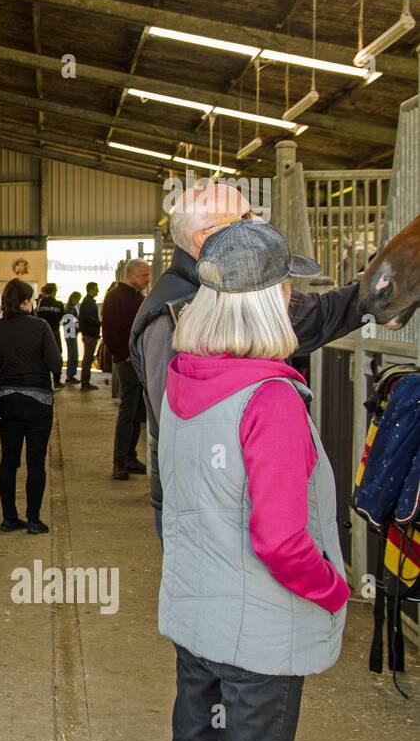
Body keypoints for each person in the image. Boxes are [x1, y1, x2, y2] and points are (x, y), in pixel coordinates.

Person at [159, 219, 348, 741]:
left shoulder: (182, 379)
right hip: (260, 638)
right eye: (287, 286)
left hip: (198, 621)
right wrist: (333, 590)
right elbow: (281, 541)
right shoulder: (271, 400)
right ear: (273, 299)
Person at [130, 183, 364, 540]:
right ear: (203, 239)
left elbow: (313, 316)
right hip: (207, 510)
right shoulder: (171, 316)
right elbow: (186, 430)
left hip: (244, 504)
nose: (256, 221)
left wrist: (376, 290)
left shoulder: (232, 288)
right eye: (243, 217)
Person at [0, 279, 61, 534]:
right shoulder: (40, 327)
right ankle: (34, 520)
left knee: (9, 460)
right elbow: (56, 365)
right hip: (38, 402)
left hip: (7, 402)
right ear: (27, 302)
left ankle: (9, 518)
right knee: (35, 463)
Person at [103, 259, 151, 480]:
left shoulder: (138, 297)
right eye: (144, 275)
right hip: (127, 363)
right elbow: (110, 333)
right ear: (131, 274)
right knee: (127, 411)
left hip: (139, 362)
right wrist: (124, 357)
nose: (147, 279)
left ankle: (130, 456)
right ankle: (119, 461)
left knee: (136, 412)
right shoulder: (115, 297)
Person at [35, 283, 65, 387]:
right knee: (57, 355)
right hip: (55, 332)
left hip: (42, 333)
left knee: (42, 356)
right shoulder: (59, 304)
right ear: (54, 292)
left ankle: (43, 380)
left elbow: (37, 316)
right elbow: (62, 318)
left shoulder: (41, 302)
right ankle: (57, 380)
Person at [78, 281, 100, 390]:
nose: (98, 291)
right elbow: (87, 318)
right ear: (91, 289)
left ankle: (85, 381)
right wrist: (99, 322)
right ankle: (85, 382)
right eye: (96, 289)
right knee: (88, 358)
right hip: (89, 334)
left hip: (89, 333)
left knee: (88, 358)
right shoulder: (88, 302)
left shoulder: (88, 301)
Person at [61, 291, 81, 384]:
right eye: (77, 299)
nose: (78, 301)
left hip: (69, 334)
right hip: (71, 334)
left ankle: (70, 375)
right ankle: (70, 376)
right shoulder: (70, 309)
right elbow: (70, 322)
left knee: (73, 355)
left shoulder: (70, 308)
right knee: (73, 355)